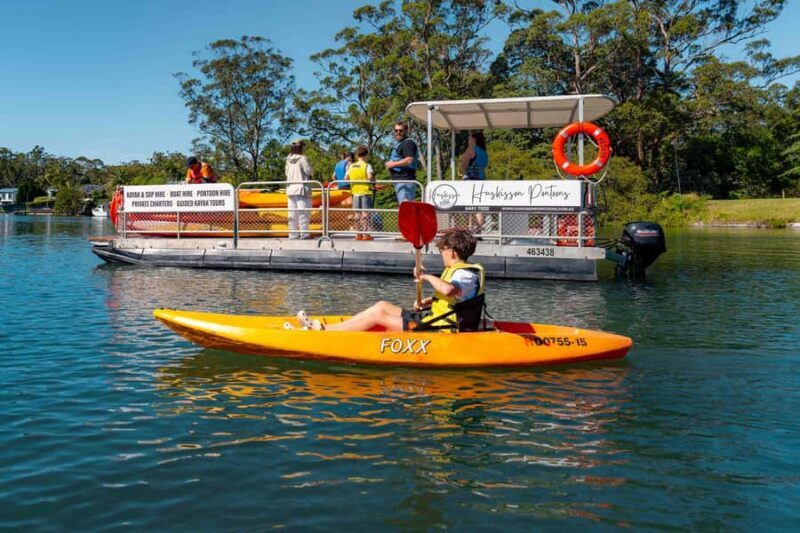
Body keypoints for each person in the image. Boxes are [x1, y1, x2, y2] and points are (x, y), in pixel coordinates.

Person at [291, 229, 485, 332]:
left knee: (378, 317)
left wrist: (424, 276)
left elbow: (451, 291)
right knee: (381, 305)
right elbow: (453, 299)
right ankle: (328, 329)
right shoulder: (454, 271)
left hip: (440, 328)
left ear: (451, 252)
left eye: (442, 250)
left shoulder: (466, 274)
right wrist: (425, 302)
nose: (441, 254)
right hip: (432, 319)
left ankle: (326, 332)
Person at [459, 131, 489, 231]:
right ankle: (479, 228)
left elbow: (464, 165)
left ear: (474, 139)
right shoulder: (484, 152)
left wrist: (463, 171)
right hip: (481, 181)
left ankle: (469, 227)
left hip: (470, 181)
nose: (468, 140)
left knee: (468, 206)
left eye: (469, 138)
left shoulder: (471, 150)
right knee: (479, 207)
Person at [285, 139, 314, 240]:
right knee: (304, 212)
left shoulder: (288, 159)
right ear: (300, 147)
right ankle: (304, 234)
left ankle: (292, 234)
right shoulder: (303, 159)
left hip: (290, 188)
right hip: (302, 188)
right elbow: (309, 171)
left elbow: (286, 173)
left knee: (292, 213)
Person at [346, 145, 376, 241]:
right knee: (365, 214)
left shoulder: (352, 166)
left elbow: (346, 178)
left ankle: (358, 234)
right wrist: (374, 180)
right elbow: (370, 177)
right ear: (366, 154)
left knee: (356, 214)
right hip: (365, 192)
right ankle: (366, 234)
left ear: (357, 155)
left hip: (355, 192)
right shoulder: (367, 165)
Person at [385, 120, 418, 204]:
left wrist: (392, 164)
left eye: (401, 130)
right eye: (396, 130)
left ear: (406, 131)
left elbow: (409, 160)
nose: (398, 132)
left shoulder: (408, 143)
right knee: (405, 206)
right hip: (400, 181)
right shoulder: (399, 144)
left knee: (405, 206)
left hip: (405, 181)